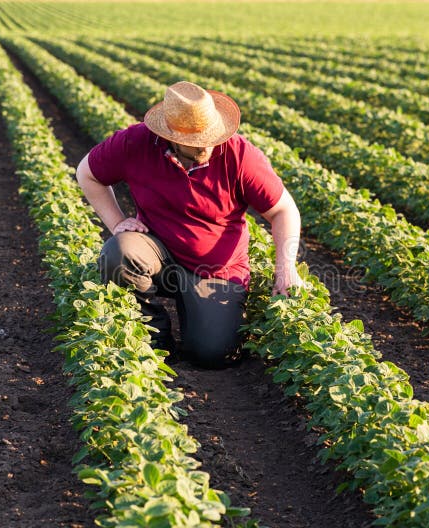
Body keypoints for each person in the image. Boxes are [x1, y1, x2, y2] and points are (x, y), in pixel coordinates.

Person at [75, 80, 302, 368]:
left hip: (217, 271)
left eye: (211, 135)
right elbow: (87, 173)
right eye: (196, 140)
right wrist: (118, 222)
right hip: (159, 255)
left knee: (212, 354)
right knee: (118, 252)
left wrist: (286, 267)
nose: (207, 144)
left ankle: (198, 318)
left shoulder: (239, 154)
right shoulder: (135, 143)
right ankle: (152, 335)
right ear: (168, 134)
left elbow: (284, 210)